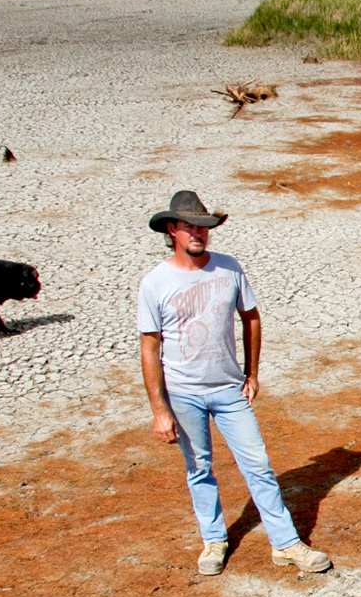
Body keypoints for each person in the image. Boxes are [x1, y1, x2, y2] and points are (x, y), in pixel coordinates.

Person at [137, 189, 332, 576]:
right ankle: (214, 540)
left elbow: (252, 317)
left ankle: (287, 544)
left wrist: (252, 373)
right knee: (199, 467)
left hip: (229, 389)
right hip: (183, 393)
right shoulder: (155, 282)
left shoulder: (229, 268)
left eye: (204, 226)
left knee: (258, 464)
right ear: (172, 229)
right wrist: (160, 409)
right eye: (190, 226)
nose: (198, 233)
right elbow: (149, 347)